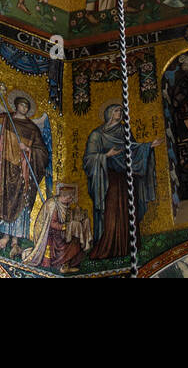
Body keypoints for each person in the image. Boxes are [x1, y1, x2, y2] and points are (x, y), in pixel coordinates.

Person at [82, 103, 159, 259]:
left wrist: (148, 146)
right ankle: (108, 246)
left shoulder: (125, 131)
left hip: (126, 178)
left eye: (121, 110)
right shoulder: (97, 134)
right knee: (111, 211)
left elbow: (134, 148)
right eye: (117, 110)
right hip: (108, 179)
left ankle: (129, 246)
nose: (120, 113)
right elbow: (88, 160)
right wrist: (106, 156)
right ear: (109, 113)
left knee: (129, 208)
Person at [0, 91, 50, 256]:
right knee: (6, 199)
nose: (24, 108)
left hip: (23, 170)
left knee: (20, 200)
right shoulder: (6, 119)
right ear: (16, 105)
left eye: (27, 106)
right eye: (21, 105)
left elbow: (43, 153)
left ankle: (16, 241)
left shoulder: (32, 128)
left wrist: (29, 149)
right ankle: (5, 236)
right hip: (5, 167)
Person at [23, 184, 91, 273]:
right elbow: (52, 224)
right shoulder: (53, 205)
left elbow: (66, 217)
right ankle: (62, 265)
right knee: (74, 241)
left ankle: (66, 264)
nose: (72, 200)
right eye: (70, 197)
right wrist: (66, 227)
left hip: (59, 232)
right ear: (65, 196)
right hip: (51, 234)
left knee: (76, 236)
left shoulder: (64, 204)